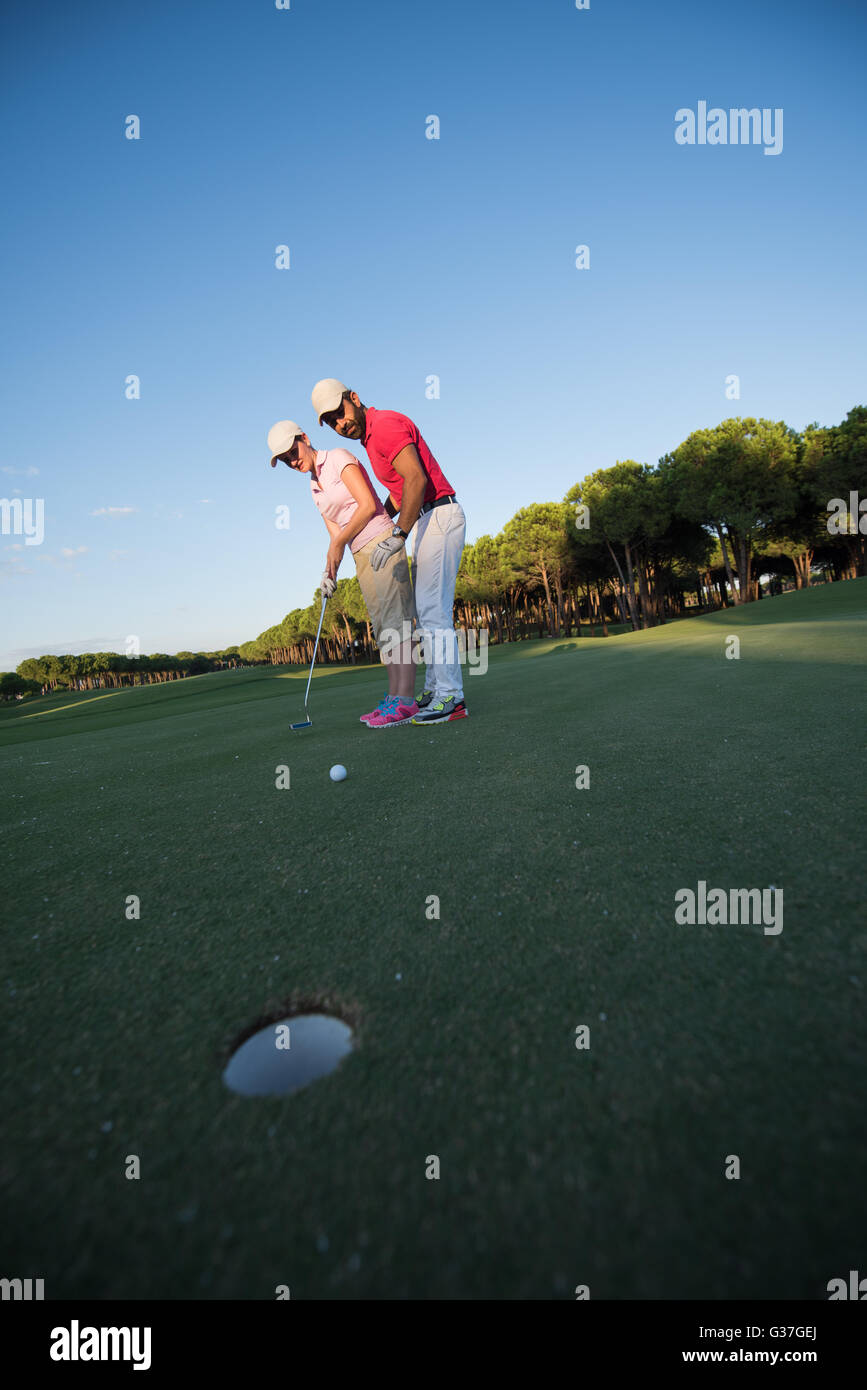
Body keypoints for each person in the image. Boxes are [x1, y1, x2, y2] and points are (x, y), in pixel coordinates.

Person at [311, 379, 468, 724]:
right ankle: (436, 690)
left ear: (355, 398)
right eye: (333, 421)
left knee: (431, 610)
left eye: (342, 412)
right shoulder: (371, 439)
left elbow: (416, 480)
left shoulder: (383, 426)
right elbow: (400, 492)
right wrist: (386, 514)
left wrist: (398, 533)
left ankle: (451, 698)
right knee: (427, 609)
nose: (341, 423)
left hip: (438, 513)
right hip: (427, 518)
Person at [266, 420, 417, 727]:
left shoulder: (337, 457)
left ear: (305, 438)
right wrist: (328, 571)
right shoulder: (314, 487)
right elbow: (334, 535)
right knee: (381, 625)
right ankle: (393, 697)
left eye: (292, 451)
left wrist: (339, 543)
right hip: (359, 551)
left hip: (381, 539)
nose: (292, 461)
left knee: (396, 621)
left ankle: (406, 700)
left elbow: (366, 505)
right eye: (285, 460)